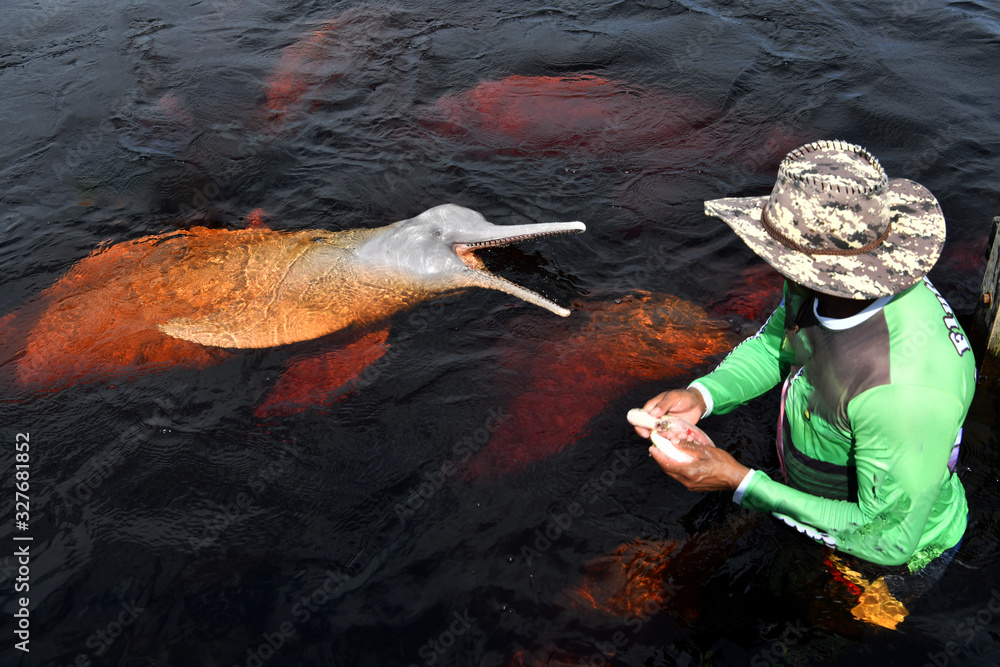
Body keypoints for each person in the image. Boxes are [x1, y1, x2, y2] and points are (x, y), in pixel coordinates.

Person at [634, 139, 976, 620]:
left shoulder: (905, 391)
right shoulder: (833, 286)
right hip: (825, 497)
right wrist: (703, 395)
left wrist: (739, 481)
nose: (771, 262)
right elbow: (777, 344)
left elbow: (887, 538)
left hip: (894, 555)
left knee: (827, 630)